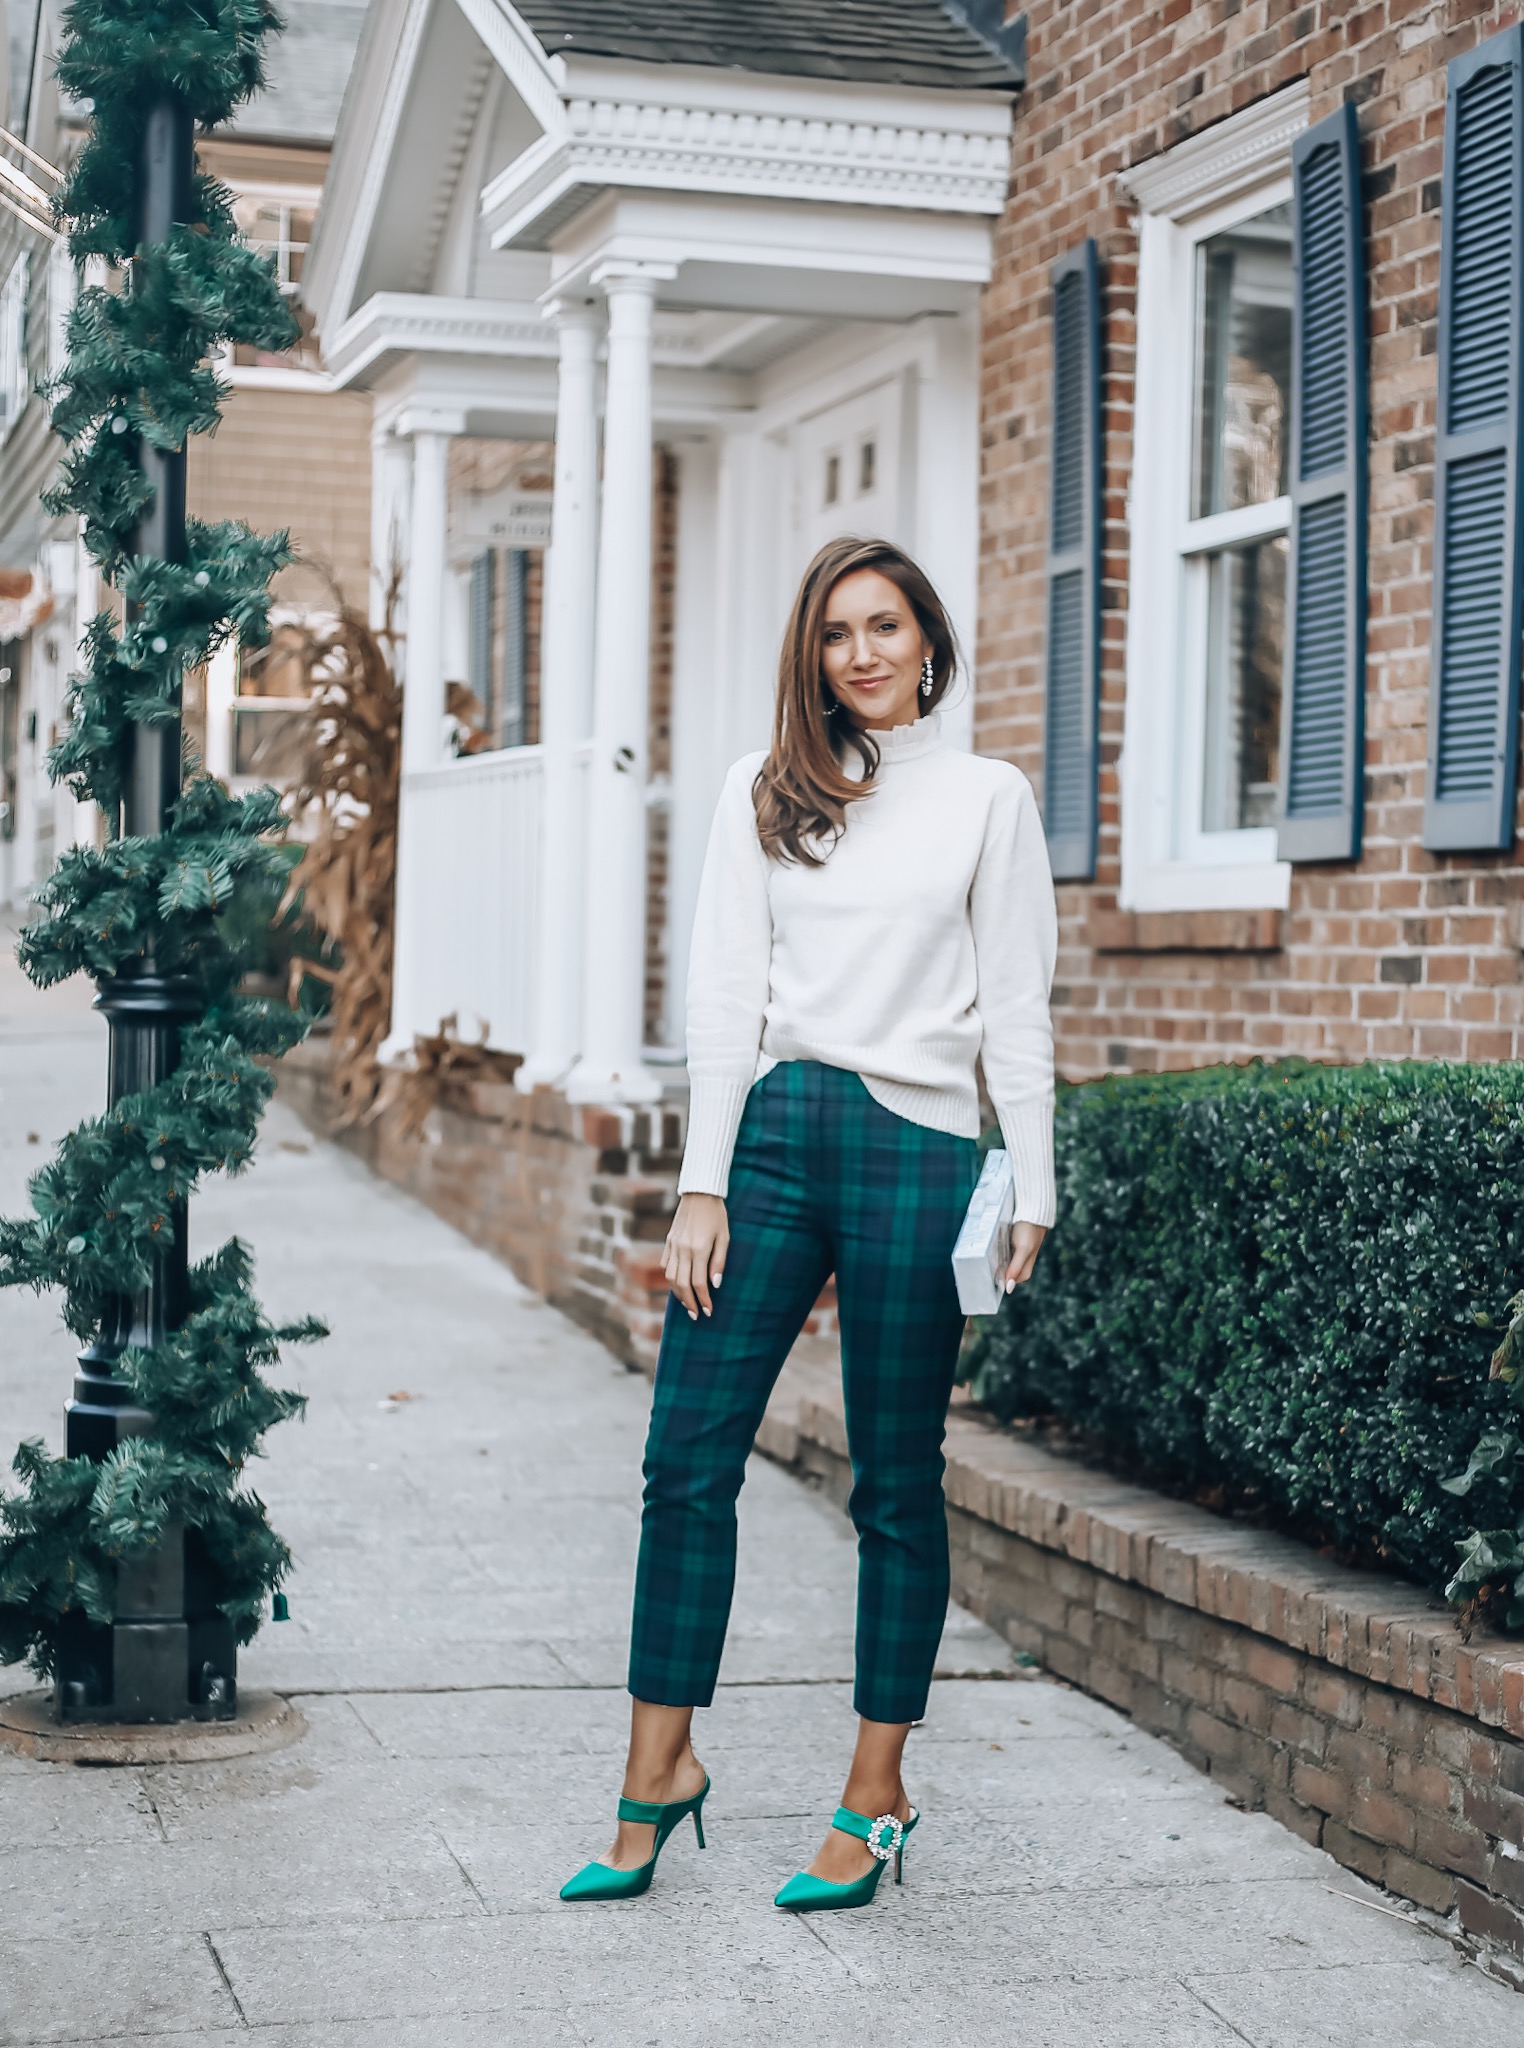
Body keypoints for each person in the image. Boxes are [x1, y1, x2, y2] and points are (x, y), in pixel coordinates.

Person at [561, 535, 1057, 1912]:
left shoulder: (985, 797)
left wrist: (1038, 1176)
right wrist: (702, 1180)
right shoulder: (764, 791)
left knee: (894, 1482)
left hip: (920, 1152)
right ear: (814, 655)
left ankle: (876, 1792)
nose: (863, 653)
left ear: (927, 642)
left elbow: (1016, 1001)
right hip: (776, 1140)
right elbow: (726, 989)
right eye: (838, 633)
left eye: (886, 626)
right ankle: (657, 1771)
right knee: (686, 1452)